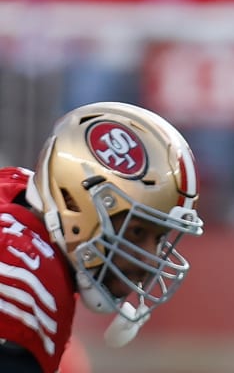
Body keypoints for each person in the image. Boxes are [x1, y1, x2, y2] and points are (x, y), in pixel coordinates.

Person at [0, 101, 204, 373]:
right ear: (74, 201)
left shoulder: (15, 194)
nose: (149, 258)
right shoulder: (25, 277)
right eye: (137, 231)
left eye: (159, 238)